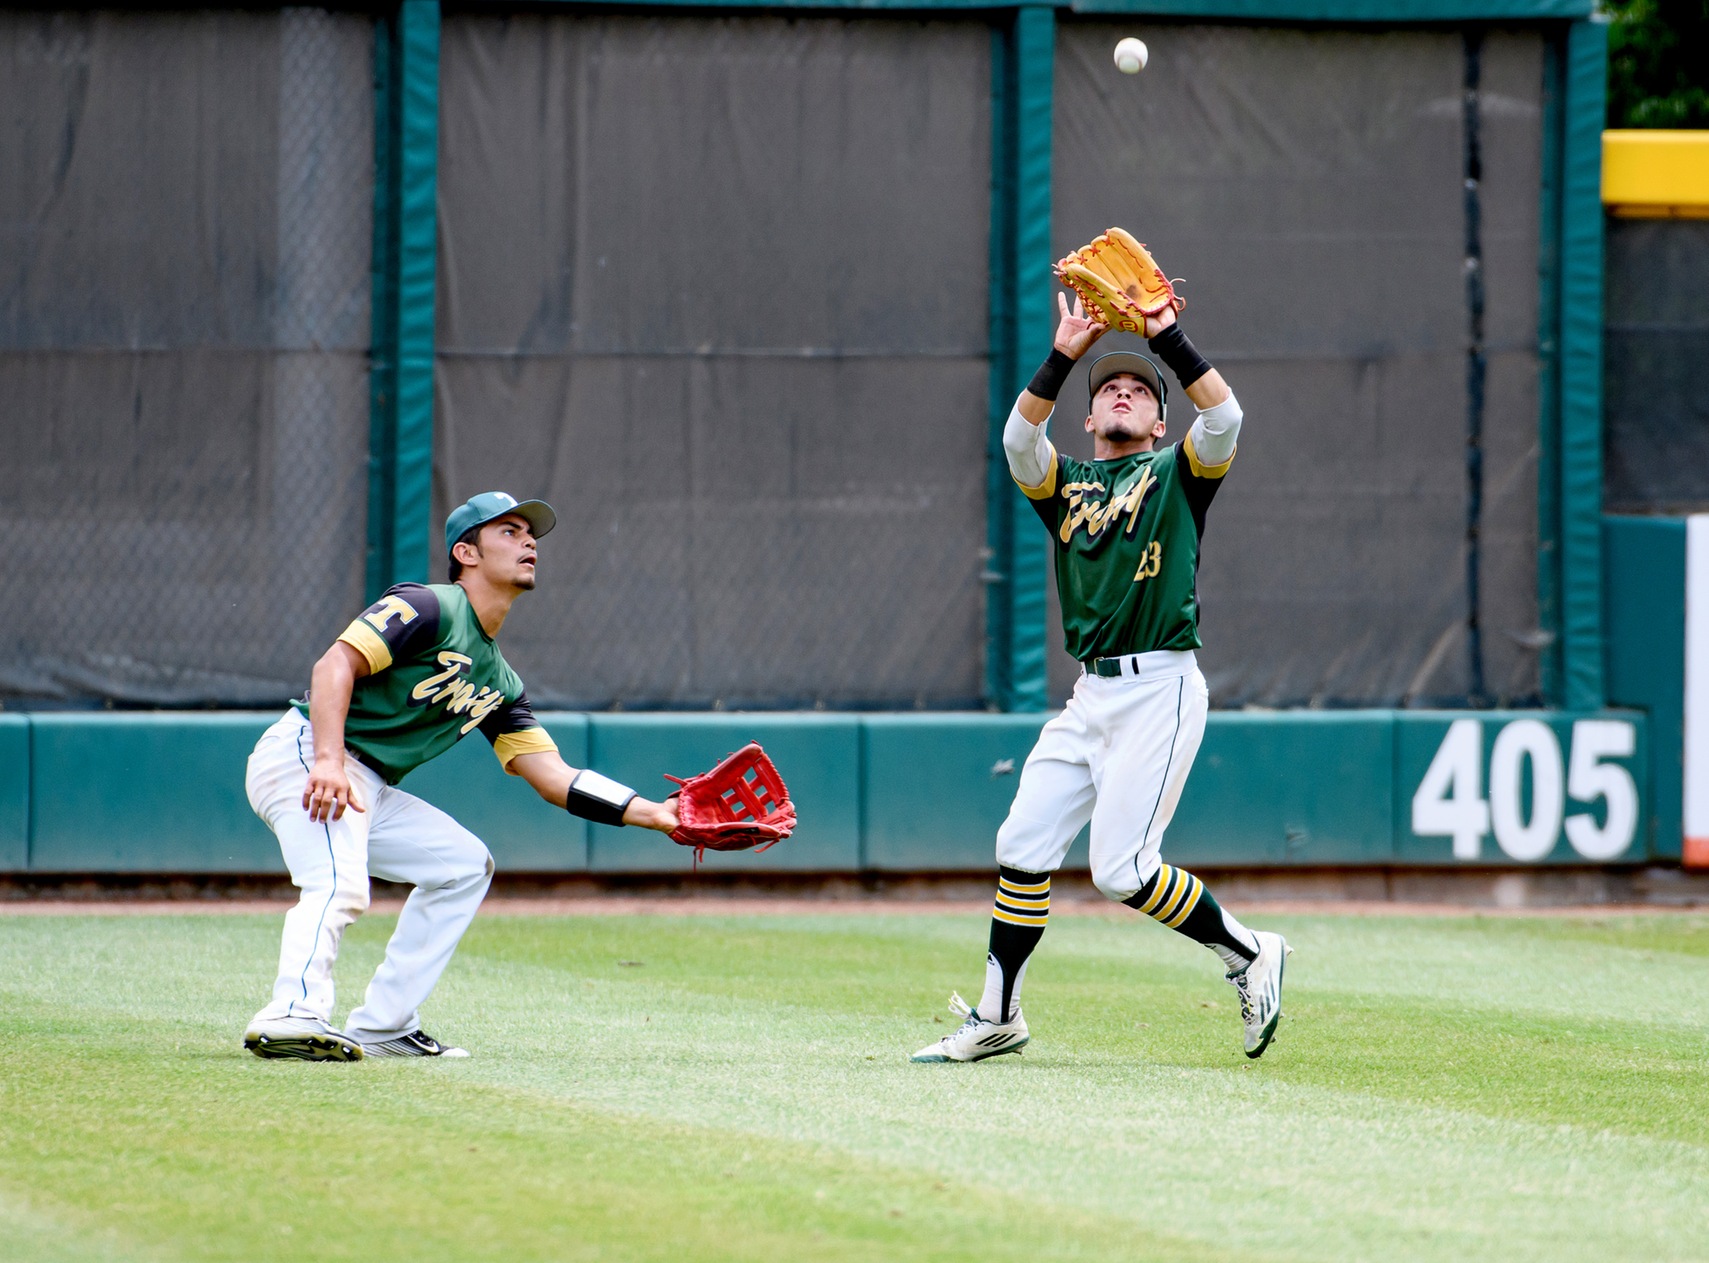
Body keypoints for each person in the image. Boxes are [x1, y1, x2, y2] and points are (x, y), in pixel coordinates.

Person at [912, 290, 1290, 1064]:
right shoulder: (1067, 486)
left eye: (1140, 390)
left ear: (1159, 422)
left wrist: (1167, 339)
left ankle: (1250, 951)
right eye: (1109, 388)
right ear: (1086, 418)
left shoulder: (1178, 473)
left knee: (1121, 870)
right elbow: (1018, 439)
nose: (1123, 391)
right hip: (1091, 696)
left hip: (1159, 687)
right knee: (1022, 840)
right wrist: (1063, 355)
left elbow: (1225, 418)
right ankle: (999, 1015)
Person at [242, 492, 679, 1061]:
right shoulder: (428, 607)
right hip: (308, 753)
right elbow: (334, 664)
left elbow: (553, 776)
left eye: (530, 534)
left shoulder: (501, 681)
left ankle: (384, 1026)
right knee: (337, 882)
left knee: (463, 866)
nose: (528, 541)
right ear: (466, 553)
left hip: (369, 782)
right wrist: (327, 759)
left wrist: (658, 815)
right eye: (509, 531)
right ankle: (291, 1014)